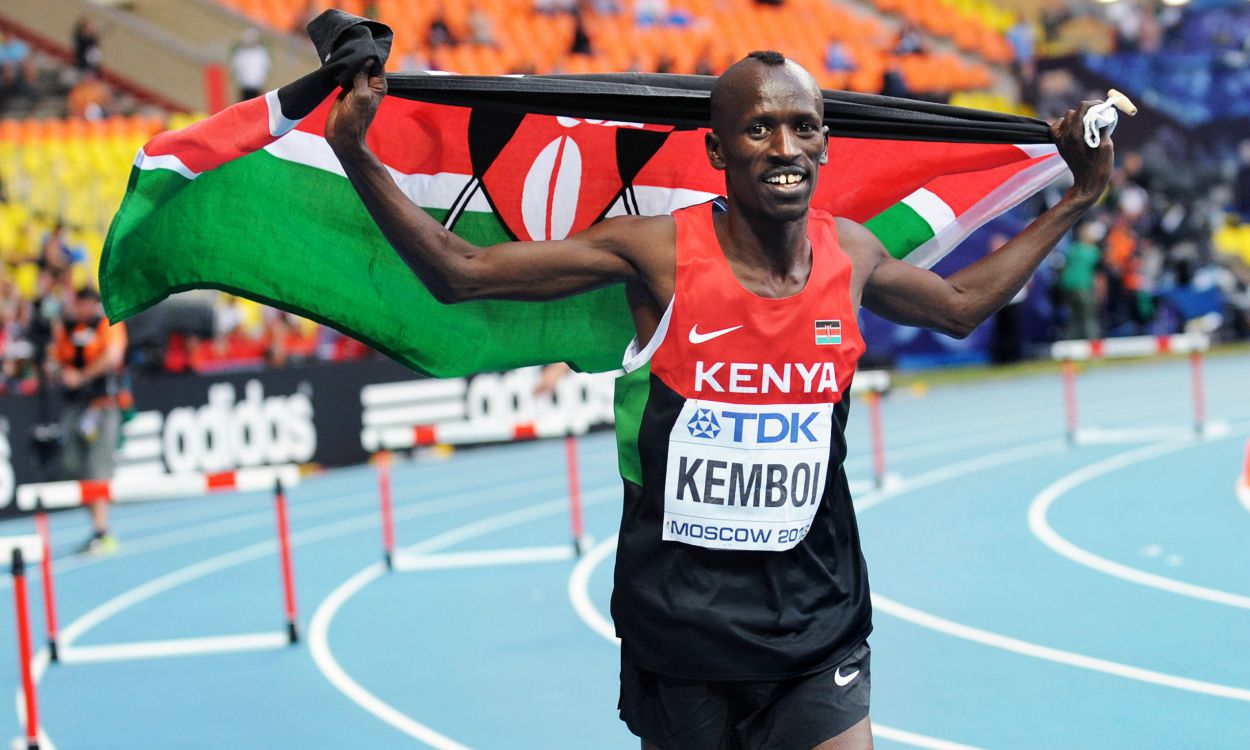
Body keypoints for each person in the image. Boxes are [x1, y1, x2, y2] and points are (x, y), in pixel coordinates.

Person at [326, 50, 1112, 750]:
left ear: (826, 144)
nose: (784, 147)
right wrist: (355, 152)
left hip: (818, 622)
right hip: (683, 634)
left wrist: (1077, 198)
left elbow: (962, 306)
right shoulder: (659, 252)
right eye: (758, 129)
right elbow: (461, 272)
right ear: (716, 149)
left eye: (803, 127)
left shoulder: (852, 252)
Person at [50, 287, 127, 554]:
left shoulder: (108, 324)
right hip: (74, 407)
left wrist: (81, 377)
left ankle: (102, 531)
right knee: (72, 465)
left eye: (88, 303)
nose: (83, 308)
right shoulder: (67, 329)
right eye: (79, 303)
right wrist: (61, 372)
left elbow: (113, 356)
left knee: (97, 467)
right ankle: (97, 527)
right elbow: (55, 359)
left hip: (101, 406)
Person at [230, 28, 272, 102]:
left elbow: (265, 68)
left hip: (256, 85)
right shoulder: (240, 52)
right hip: (244, 85)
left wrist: (261, 82)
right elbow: (236, 68)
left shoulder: (261, 52)